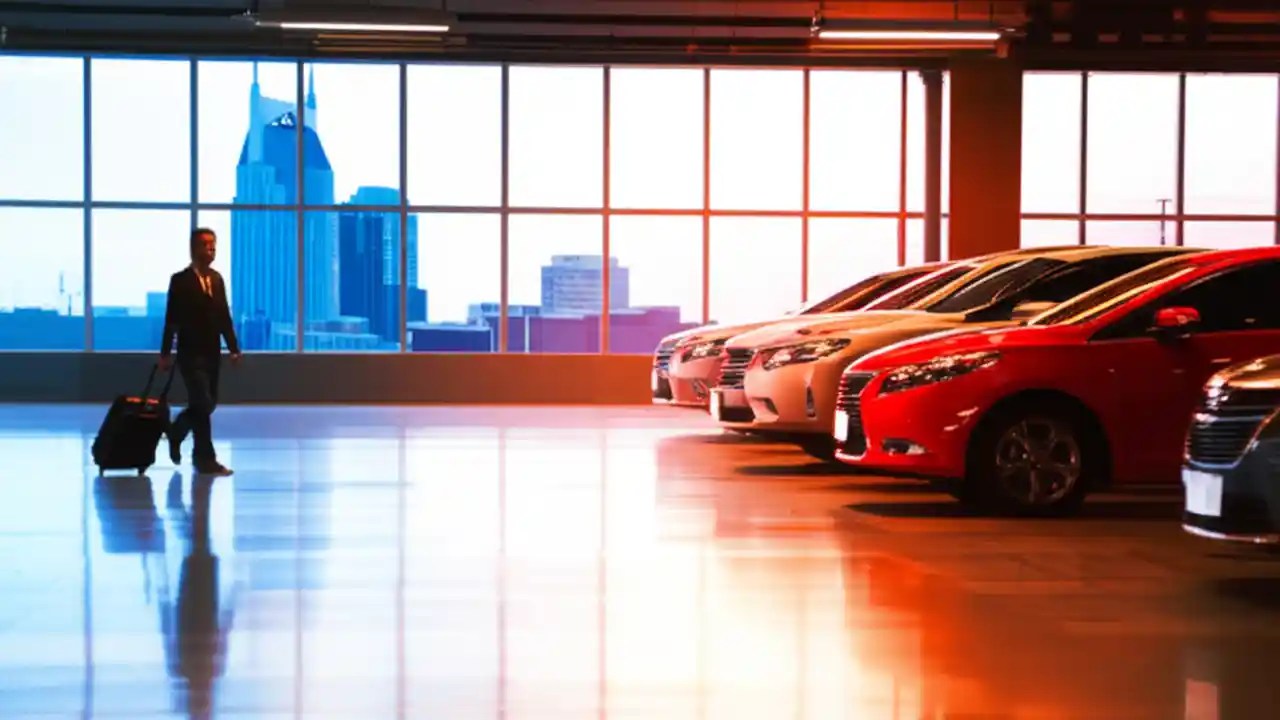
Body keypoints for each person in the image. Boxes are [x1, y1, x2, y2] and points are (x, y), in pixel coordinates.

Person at [159, 228, 241, 476]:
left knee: (208, 403)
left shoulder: (217, 280)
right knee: (202, 402)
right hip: (190, 353)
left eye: (214, 244)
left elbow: (224, 317)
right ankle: (205, 458)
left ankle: (176, 432)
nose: (212, 249)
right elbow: (171, 319)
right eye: (206, 245)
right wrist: (165, 353)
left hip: (212, 352)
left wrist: (233, 348)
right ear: (194, 249)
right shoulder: (180, 281)